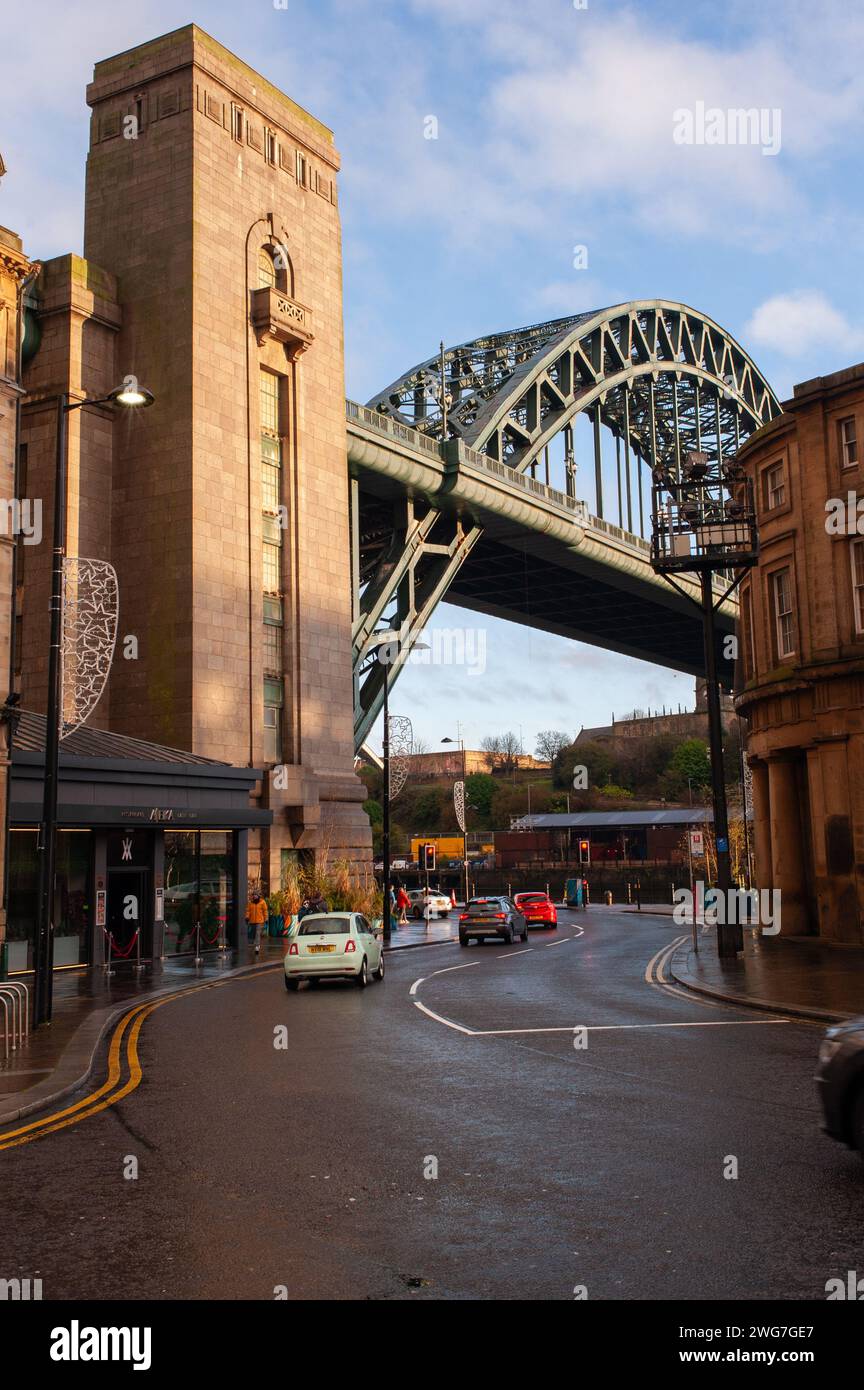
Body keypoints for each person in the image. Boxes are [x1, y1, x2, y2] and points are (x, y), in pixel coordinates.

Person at [246, 889, 268, 954]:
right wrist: (247, 917)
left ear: (258, 896)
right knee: (252, 933)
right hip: (252, 921)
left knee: (257, 933)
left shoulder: (262, 902)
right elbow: (248, 911)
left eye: (256, 895)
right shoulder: (250, 903)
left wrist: (266, 919)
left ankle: (257, 946)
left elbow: (265, 911)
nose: (254, 896)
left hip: (260, 921)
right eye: (253, 895)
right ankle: (254, 944)